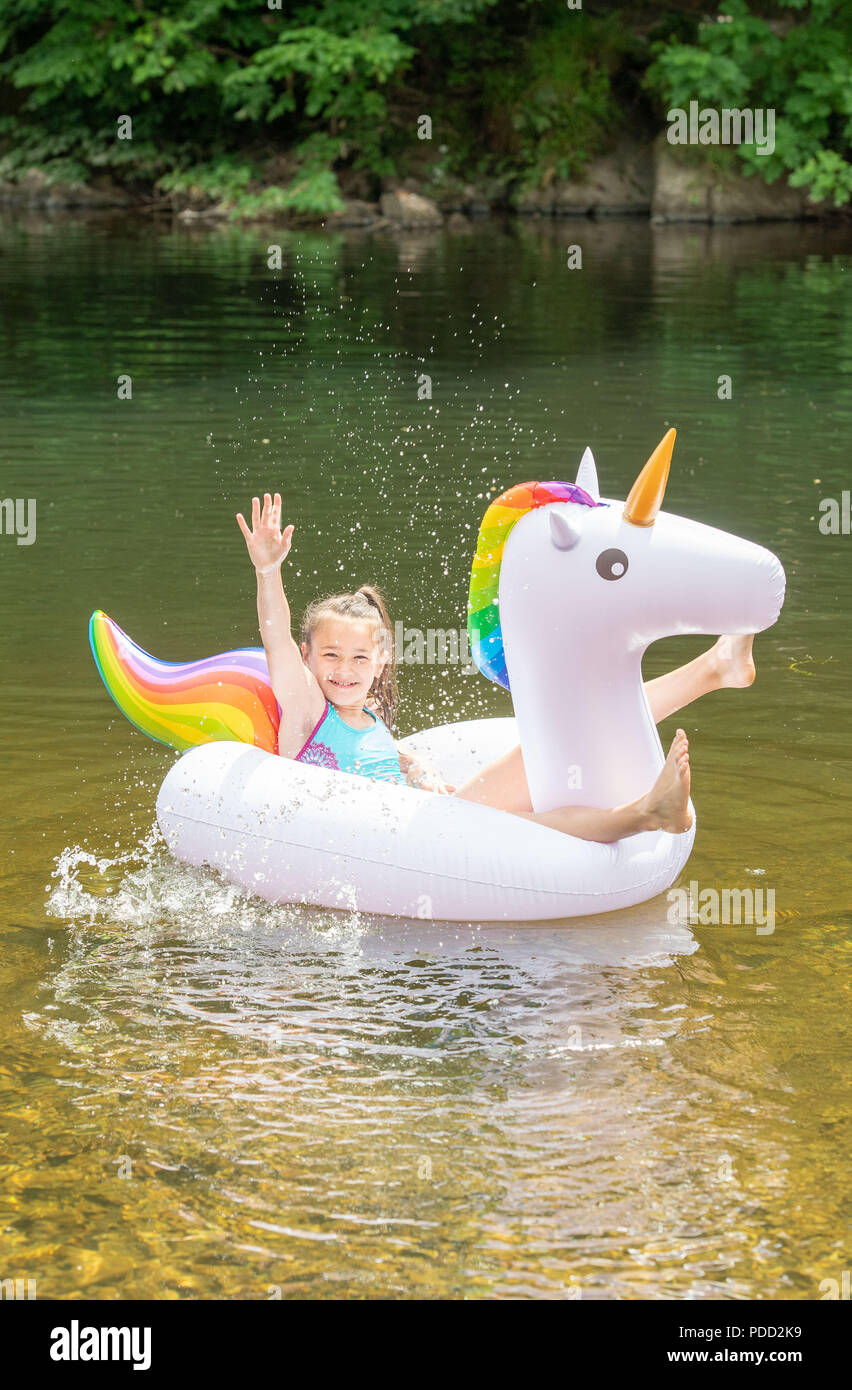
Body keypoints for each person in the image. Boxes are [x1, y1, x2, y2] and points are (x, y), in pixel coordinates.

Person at [237, 493, 757, 843]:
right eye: (328, 656)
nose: (343, 671)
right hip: (409, 842)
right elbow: (274, 635)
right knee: (557, 743)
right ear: (307, 659)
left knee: (562, 746)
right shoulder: (307, 713)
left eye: (358, 658)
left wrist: (421, 771)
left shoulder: (368, 718)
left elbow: (389, 760)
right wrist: (267, 570)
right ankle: (649, 805)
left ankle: (715, 670)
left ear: (383, 659)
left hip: (426, 824)